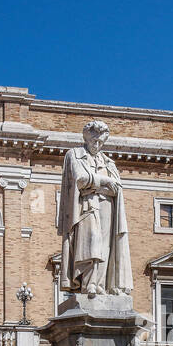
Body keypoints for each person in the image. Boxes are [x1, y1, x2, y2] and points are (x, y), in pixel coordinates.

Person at [57, 120, 133, 297]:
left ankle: (101, 285)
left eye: (100, 142)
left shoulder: (108, 162)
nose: (96, 145)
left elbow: (117, 188)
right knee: (91, 241)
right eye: (93, 141)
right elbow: (80, 179)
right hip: (86, 206)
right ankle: (88, 283)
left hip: (107, 206)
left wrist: (96, 184)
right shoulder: (74, 155)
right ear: (86, 138)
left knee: (106, 245)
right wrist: (104, 181)